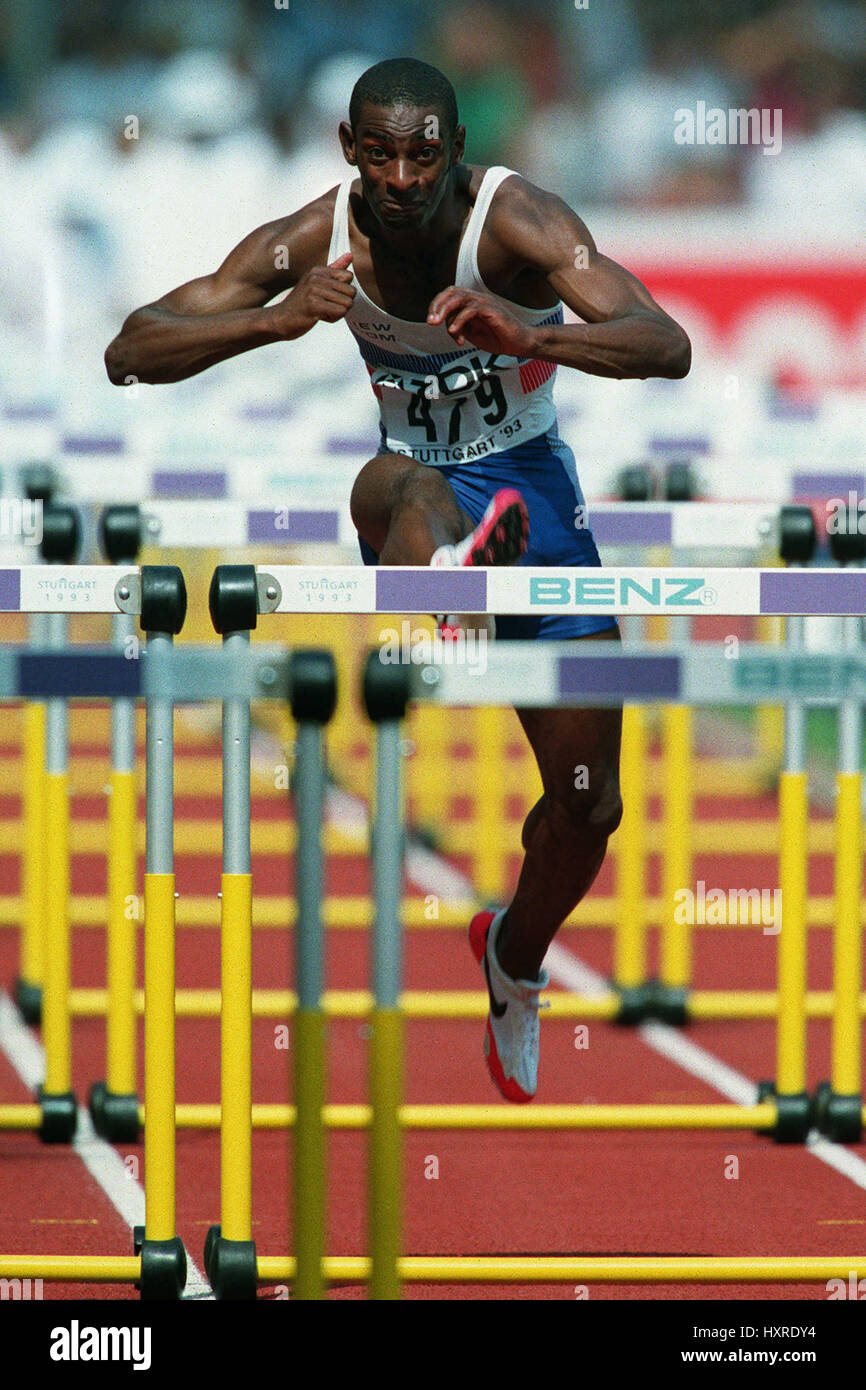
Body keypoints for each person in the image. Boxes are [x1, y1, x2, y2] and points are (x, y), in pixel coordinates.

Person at [105, 57, 691, 1104]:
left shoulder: (516, 223)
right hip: (410, 498)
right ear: (350, 148)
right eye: (380, 155)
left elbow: (664, 341)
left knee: (587, 807)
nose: (403, 178)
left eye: (423, 156)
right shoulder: (316, 235)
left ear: (456, 150)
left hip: (535, 504)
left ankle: (512, 957)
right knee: (407, 486)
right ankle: (450, 589)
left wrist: (531, 333)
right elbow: (132, 347)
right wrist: (272, 320)